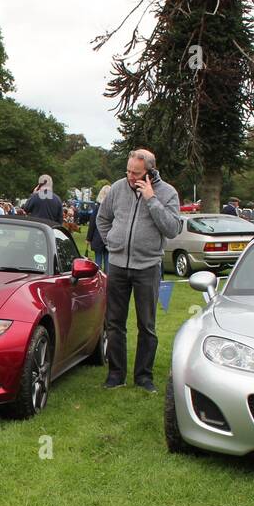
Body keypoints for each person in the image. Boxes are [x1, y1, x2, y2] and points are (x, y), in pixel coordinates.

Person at [96, 149, 183, 393]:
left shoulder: (167, 193)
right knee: (114, 323)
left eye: (136, 173)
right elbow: (102, 219)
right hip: (118, 265)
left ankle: (144, 376)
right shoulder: (117, 188)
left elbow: (172, 228)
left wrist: (151, 199)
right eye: (128, 171)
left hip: (147, 267)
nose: (131, 177)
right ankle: (116, 374)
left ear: (150, 171)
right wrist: (111, 242)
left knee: (147, 325)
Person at [88, 183, 111, 272]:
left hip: (98, 236)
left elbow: (92, 223)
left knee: (98, 260)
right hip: (109, 237)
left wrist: (89, 238)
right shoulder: (113, 208)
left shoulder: (97, 208)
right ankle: (107, 279)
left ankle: (99, 278)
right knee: (107, 259)